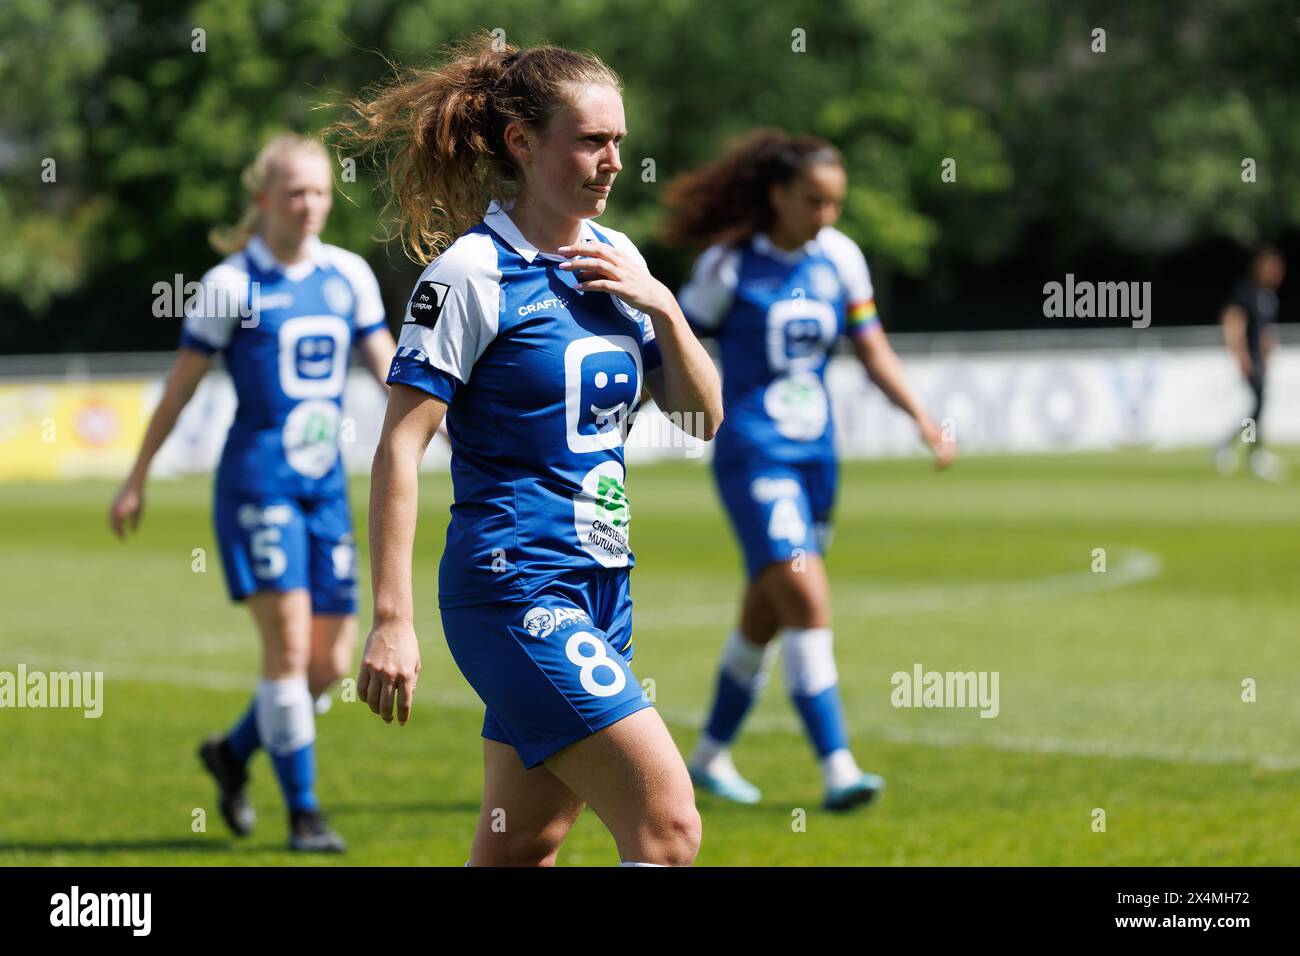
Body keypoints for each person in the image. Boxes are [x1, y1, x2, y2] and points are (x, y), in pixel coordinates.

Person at [331, 34, 723, 867]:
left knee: (520, 848)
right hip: (515, 587)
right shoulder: (471, 274)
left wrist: (666, 311)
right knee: (668, 826)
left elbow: (701, 421)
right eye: (590, 140)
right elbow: (400, 448)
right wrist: (392, 620)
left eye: (618, 140)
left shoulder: (619, 259)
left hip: (602, 585)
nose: (613, 159)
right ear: (523, 143)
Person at [108, 133, 398, 851]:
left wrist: (457, 435)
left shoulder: (350, 275)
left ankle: (233, 753)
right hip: (257, 485)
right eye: (294, 192)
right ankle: (305, 815)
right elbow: (182, 387)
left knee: (331, 666)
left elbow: (391, 372)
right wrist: (137, 476)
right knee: (290, 652)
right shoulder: (231, 284)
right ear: (263, 199)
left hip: (326, 488)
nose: (309, 205)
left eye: (321, 192)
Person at [660, 130, 956, 810]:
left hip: (818, 455)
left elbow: (870, 346)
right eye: (814, 201)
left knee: (766, 614)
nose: (827, 216)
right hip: (753, 452)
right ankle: (838, 768)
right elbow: (677, 337)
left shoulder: (841, 259)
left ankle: (706, 757)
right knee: (807, 598)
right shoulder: (727, 265)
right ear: (778, 196)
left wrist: (921, 416)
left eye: (835, 204)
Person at [1216, 245, 1286, 481]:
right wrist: (1241, 355)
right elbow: (1233, 322)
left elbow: (1265, 332)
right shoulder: (1246, 291)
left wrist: (1267, 357)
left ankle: (1230, 445)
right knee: (1254, 408)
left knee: (1255, 408)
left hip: (1259, 361)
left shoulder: (1269, 297)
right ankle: (1252, 452)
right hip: (1248, 359)